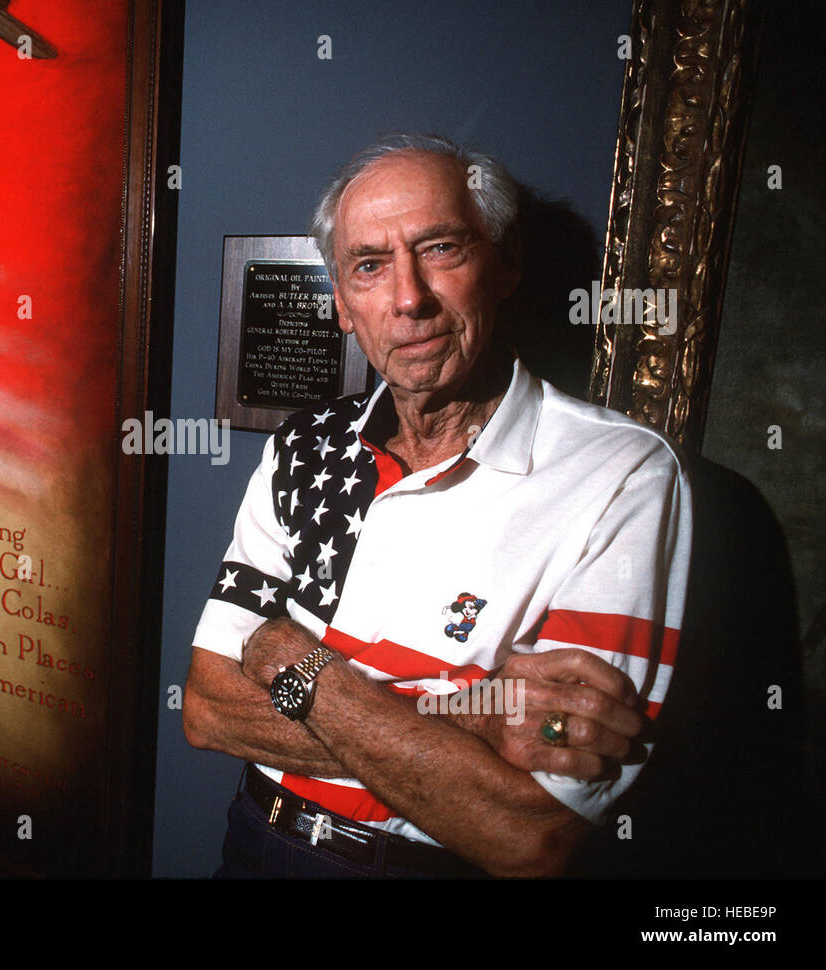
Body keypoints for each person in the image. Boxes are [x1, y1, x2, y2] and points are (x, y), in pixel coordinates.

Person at [183, 134, 692, 878]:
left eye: (442, 249)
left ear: (505, 264)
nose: (409, 298)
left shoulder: (623, 473)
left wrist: (284, 654)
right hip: (257, 840)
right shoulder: (307, 447)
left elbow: (531, 831)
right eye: (369, 265)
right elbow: (206, 710)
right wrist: (474, 720)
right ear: (343, 306)